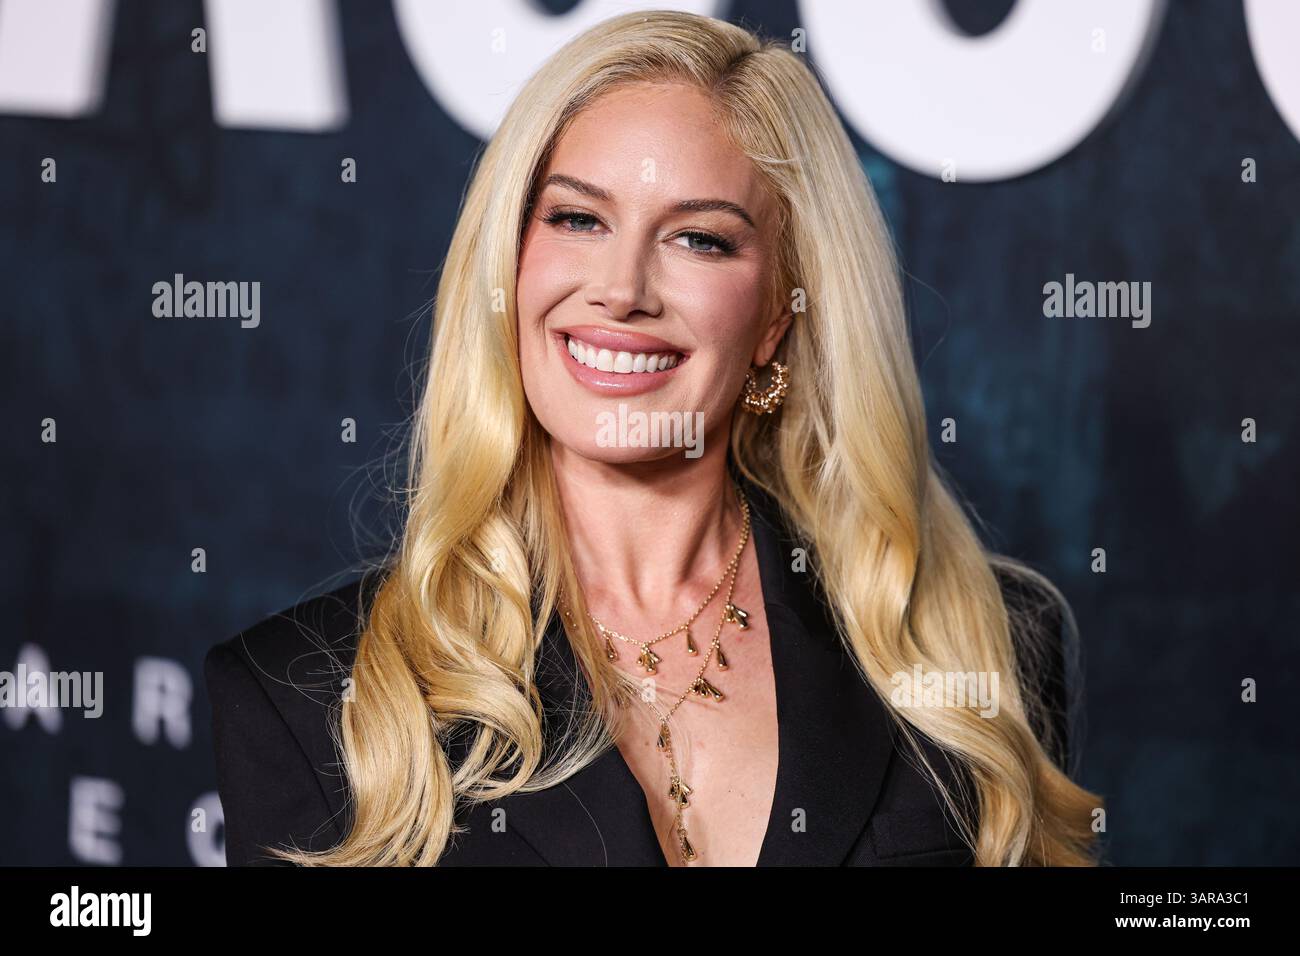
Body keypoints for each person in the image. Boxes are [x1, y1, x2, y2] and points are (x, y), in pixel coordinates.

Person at [205, 10, 1102, 867]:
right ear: (508, 265)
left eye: (701, 240)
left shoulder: (972, 648)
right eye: (577, 219)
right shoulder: (305, 698)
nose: (622, 288)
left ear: (777, 322)